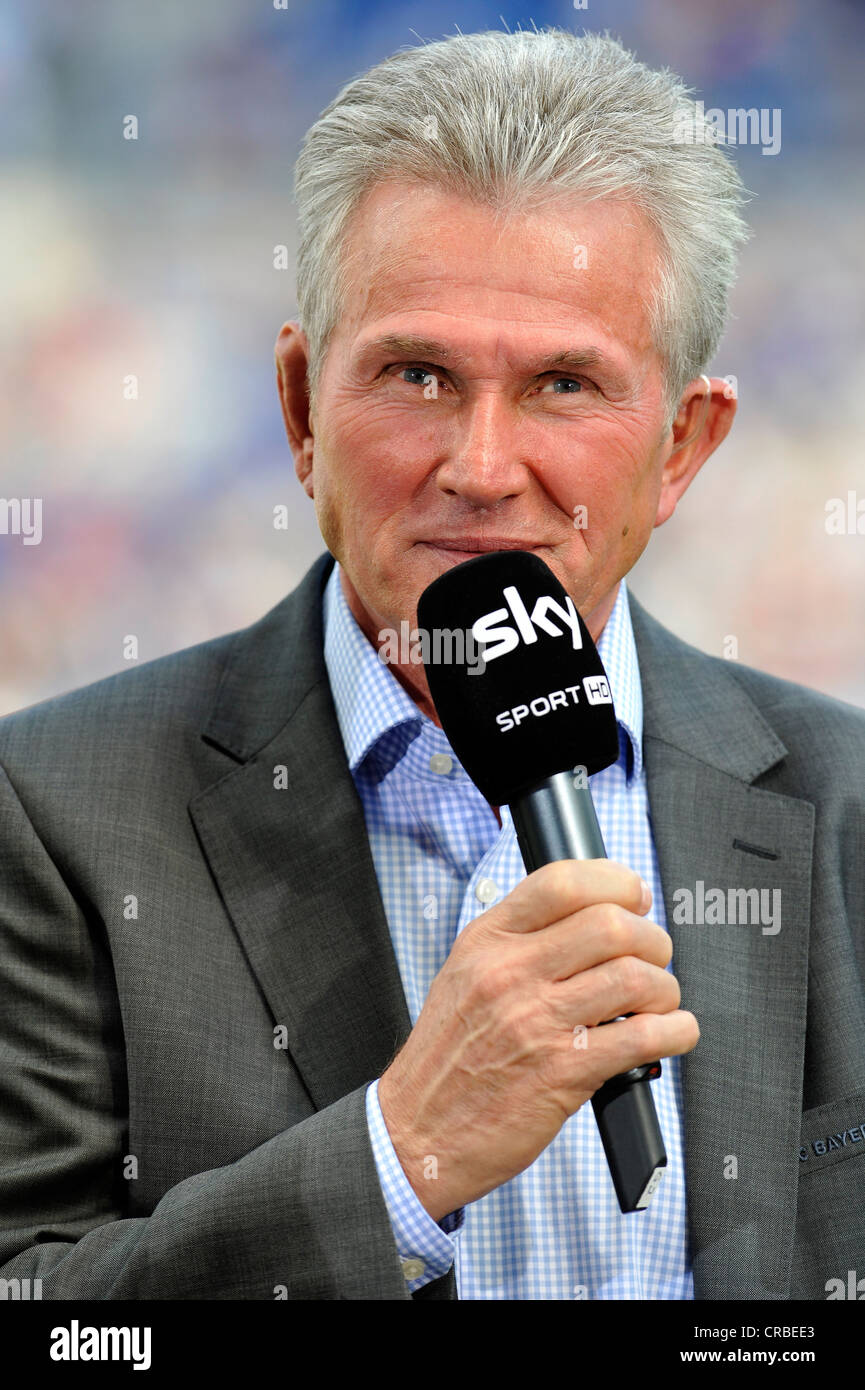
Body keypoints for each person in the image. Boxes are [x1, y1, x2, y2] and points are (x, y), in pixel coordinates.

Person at [0, 28, 863, 1303]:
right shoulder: (54, 806)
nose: (479, 466)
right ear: (300, 409)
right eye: (418, 374)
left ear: (683, 446)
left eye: (565, 384)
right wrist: (397, 1158)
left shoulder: (846, 806)